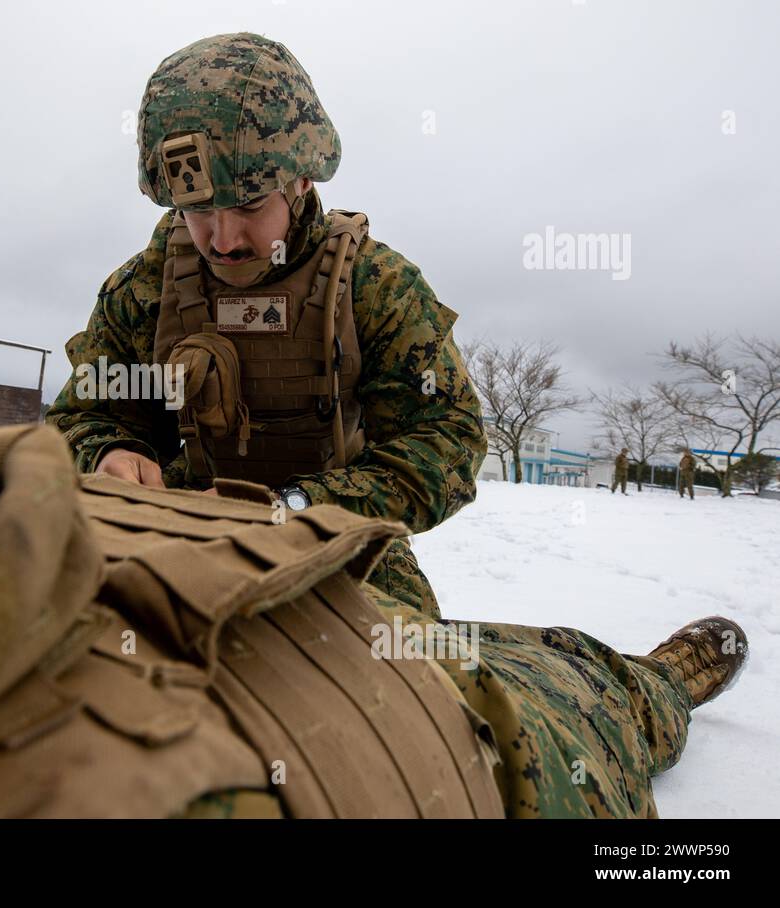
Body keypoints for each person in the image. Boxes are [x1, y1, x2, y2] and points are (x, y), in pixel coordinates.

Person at [46, 33, 486, 620]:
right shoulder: (147, 287)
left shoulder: (375, 286)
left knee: (397, 689)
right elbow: (86, 414)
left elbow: (447, 440)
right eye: (198, 210)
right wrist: (109, 454)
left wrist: (297, 505)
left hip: (339, 541)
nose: (223, 240)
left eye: (251, 207)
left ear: (302, 180)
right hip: (181, 530)